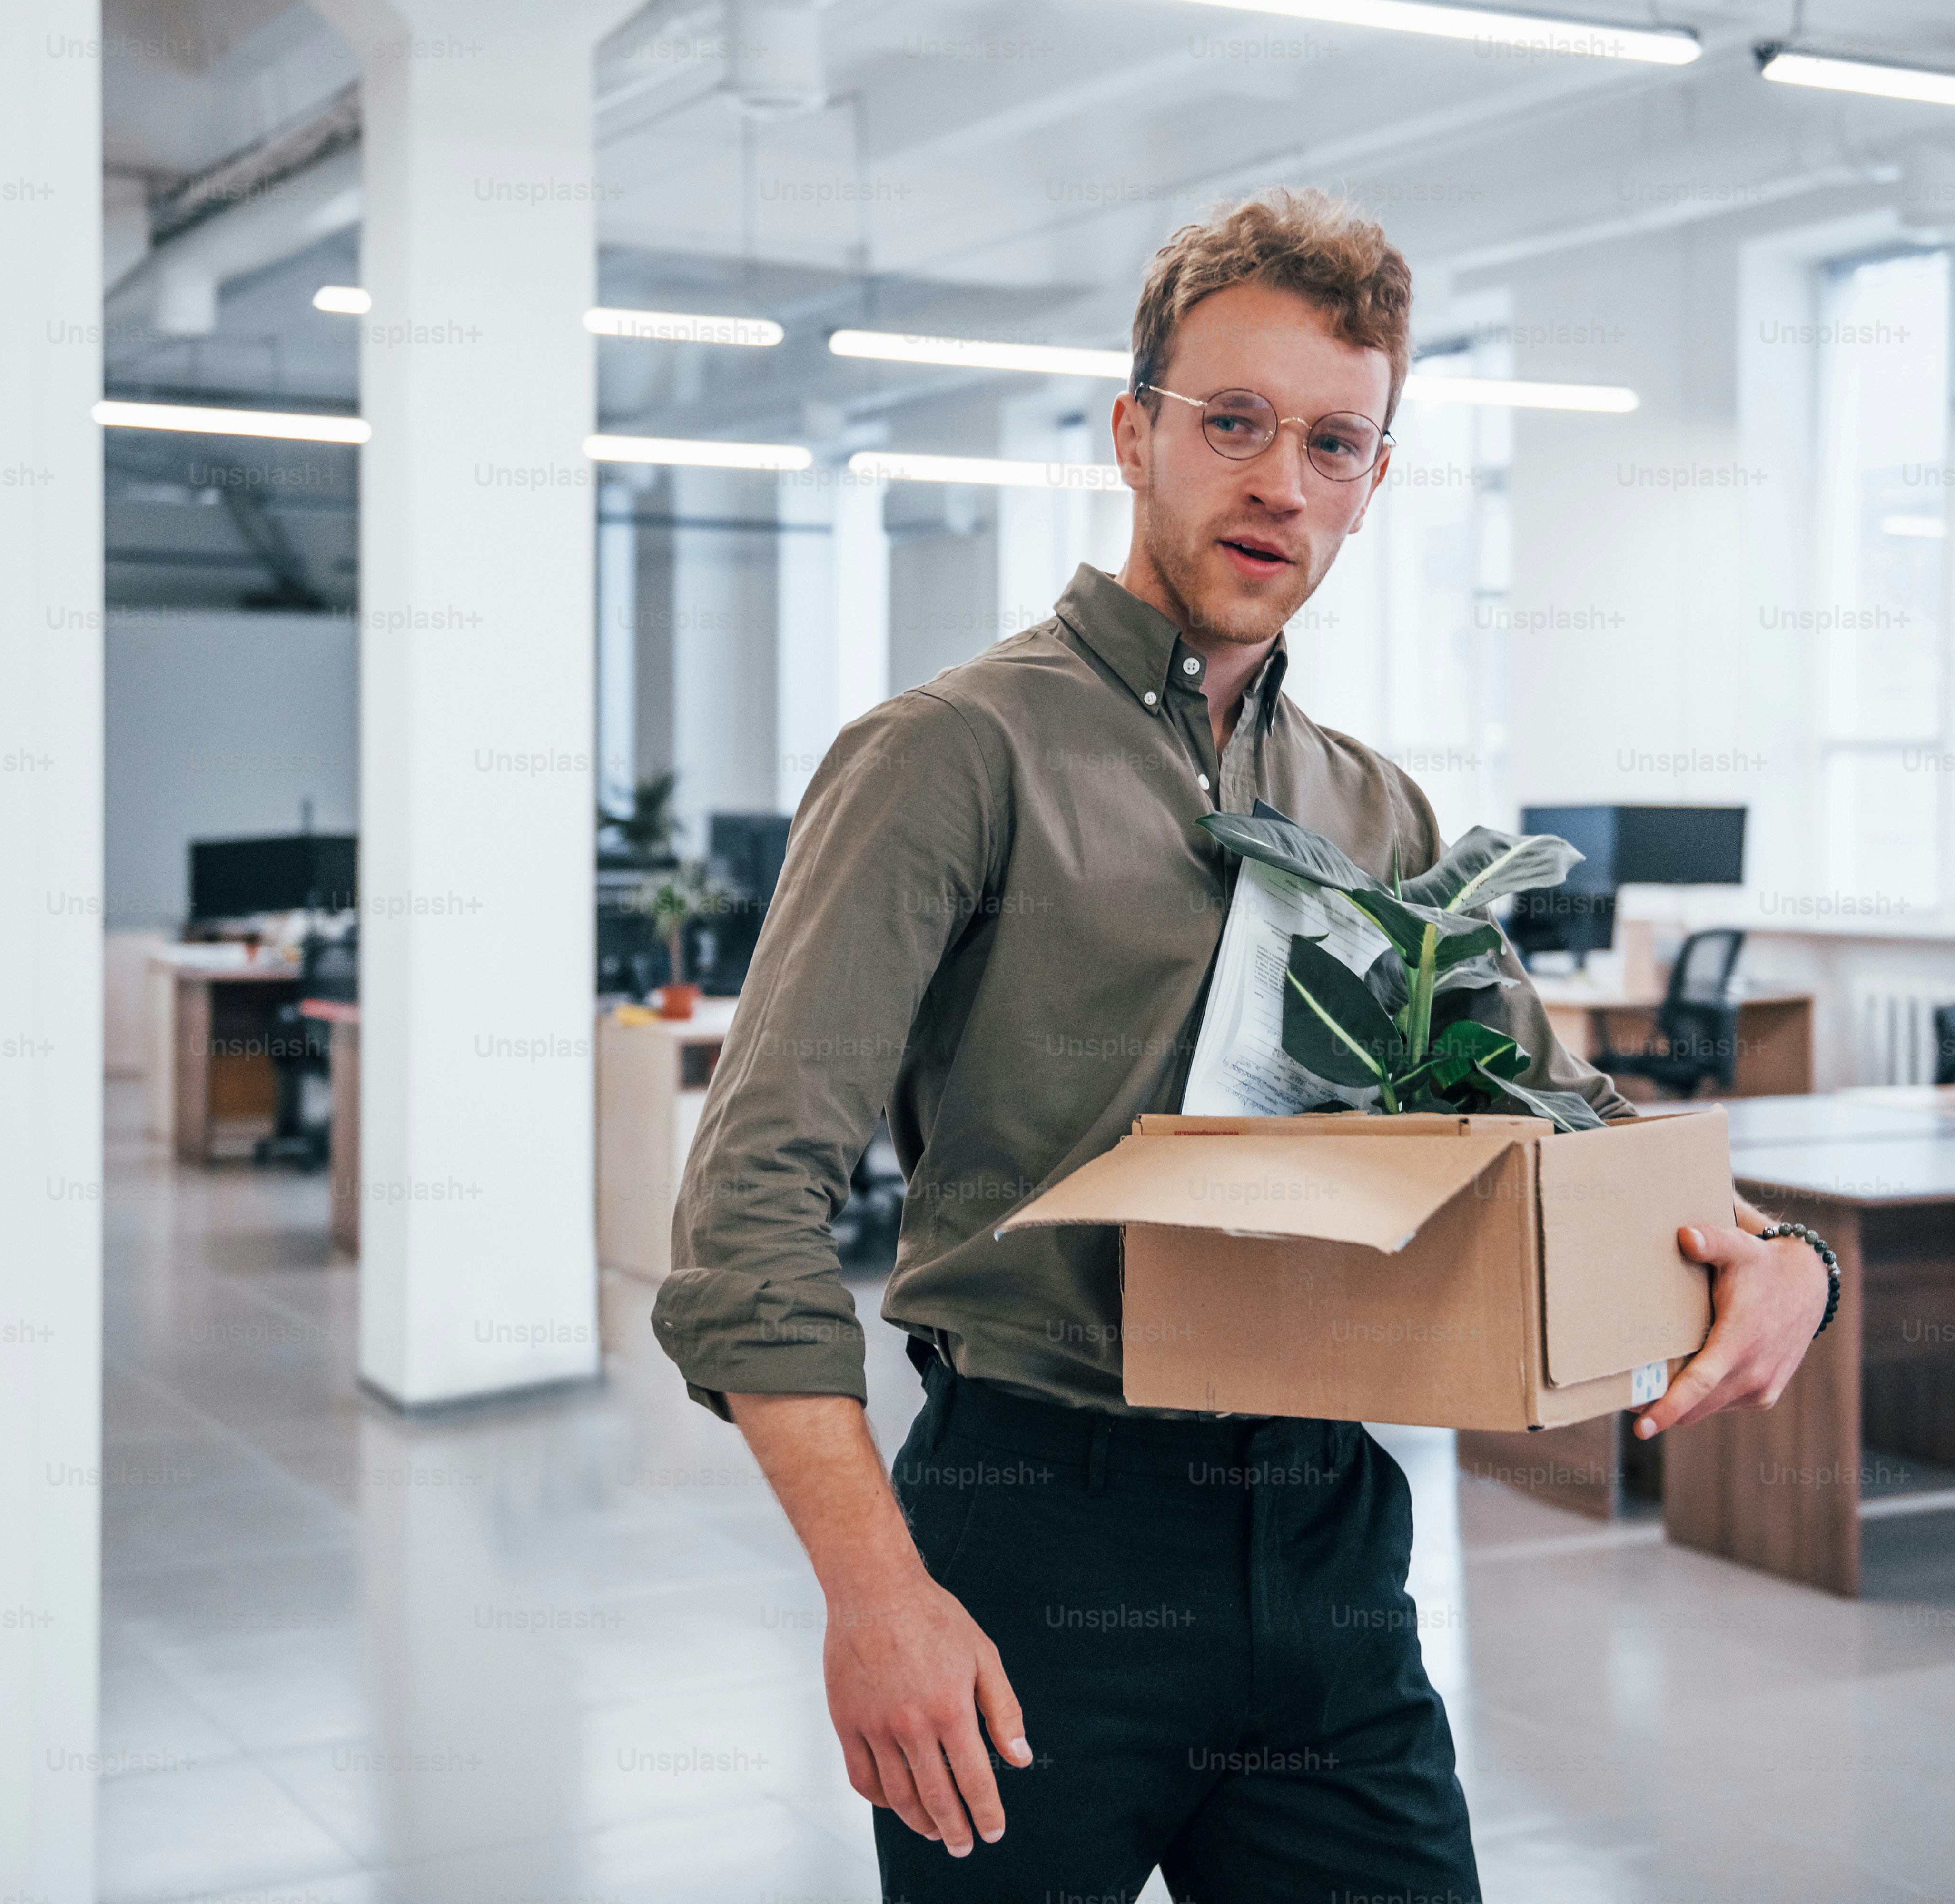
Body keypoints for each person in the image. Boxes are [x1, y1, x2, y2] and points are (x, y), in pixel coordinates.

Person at [652, 187, 1835, 1898]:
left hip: (1330, 1529)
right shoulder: (952, 755)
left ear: (1373, 483)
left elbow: (1551, 1112)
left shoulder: (1370, 802)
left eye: (1337, 443)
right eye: (1234, 421)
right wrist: (875, 1591)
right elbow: (747, 1207)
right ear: (1135, 434)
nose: (1281, 479)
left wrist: (1784, 1252)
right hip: (1036, 1536)